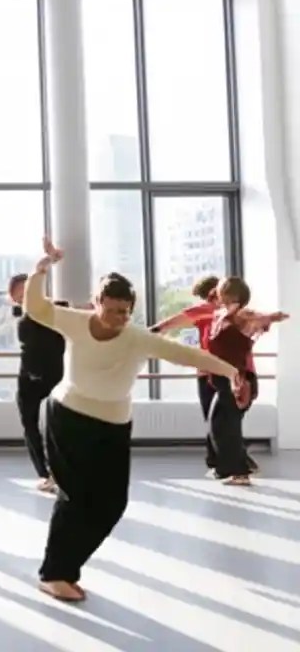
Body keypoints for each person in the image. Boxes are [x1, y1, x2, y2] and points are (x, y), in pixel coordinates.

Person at [23, 238, 243, 603]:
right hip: (68, 418)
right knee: (75, 498)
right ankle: (54, 573)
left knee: (112, 503)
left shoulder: (137, 338)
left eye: (125, 312)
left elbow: (185, 354)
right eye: (112, 310)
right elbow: (36, 308)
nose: (118, 319)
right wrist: (42, 267)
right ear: (96, 304)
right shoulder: (75, 322)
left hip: (112, 425)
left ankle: (64, 567)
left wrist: (231, 371)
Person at [149, 275, 259, 474]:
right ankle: (228, 464)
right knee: (225, 421)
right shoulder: (239, 313)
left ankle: (233, 466)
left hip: (218, 373)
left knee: (218, 422)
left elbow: (178, 319)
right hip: (230, 373)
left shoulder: (210, 310)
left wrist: (153, 331)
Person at [202, 277, 286, 485]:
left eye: (220, 289)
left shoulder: (240, 313)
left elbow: (256, 316)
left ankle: (240, 472)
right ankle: (236, 469)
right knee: (221, 424)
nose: (216, 291)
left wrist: (271, 317)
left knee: (225, 425)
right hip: (224, 378)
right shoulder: (223, 314)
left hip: (236, 379)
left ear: (230, 293)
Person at [8, 273, 72, 493]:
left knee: (59, 427)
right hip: (29, 379)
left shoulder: (57, 310)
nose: (25, 295)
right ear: (14, 297)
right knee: (30, 425)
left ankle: (61, 471)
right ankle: (44, 475)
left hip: (56, 376)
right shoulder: (23, 319)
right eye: (20, 292)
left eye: (29, 289)